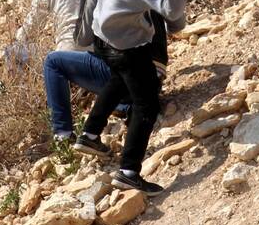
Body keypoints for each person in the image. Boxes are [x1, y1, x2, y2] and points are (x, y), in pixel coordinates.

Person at [62, 0, 187, 196]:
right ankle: (129, 171)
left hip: (100, 37)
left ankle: (90, 134)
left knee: (120, 78)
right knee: (146, 104)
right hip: (129, 43)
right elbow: (170, 10)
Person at [44, 11, 172, 141]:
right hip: (153, 81)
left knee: (53, 61)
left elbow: (83, 38)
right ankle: (127, 106)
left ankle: (63, 134)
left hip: (125, 74)